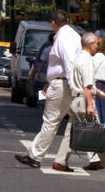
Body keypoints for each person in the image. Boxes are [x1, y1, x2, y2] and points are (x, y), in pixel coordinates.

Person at [48, 32, 105, 175]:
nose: (98, 46)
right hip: (83, 101)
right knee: (97, 131)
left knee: (71, 132)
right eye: (96, 43)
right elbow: (87, 86)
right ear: (90, 44)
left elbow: (86, 85)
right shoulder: (86, 61)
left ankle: (60, 161)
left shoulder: (80, 58)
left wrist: (102, 94)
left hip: (75, 100)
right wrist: (90, 105)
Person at [15, 9, 81, 169]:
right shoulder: (74, 36)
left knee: (51, 121)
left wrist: (71, 86)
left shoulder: (63, 38)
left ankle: (35, 156)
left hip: (64, 84)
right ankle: (98, 158)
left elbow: (69, 62)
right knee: (79, 121)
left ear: (53, 23)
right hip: (68, 83)